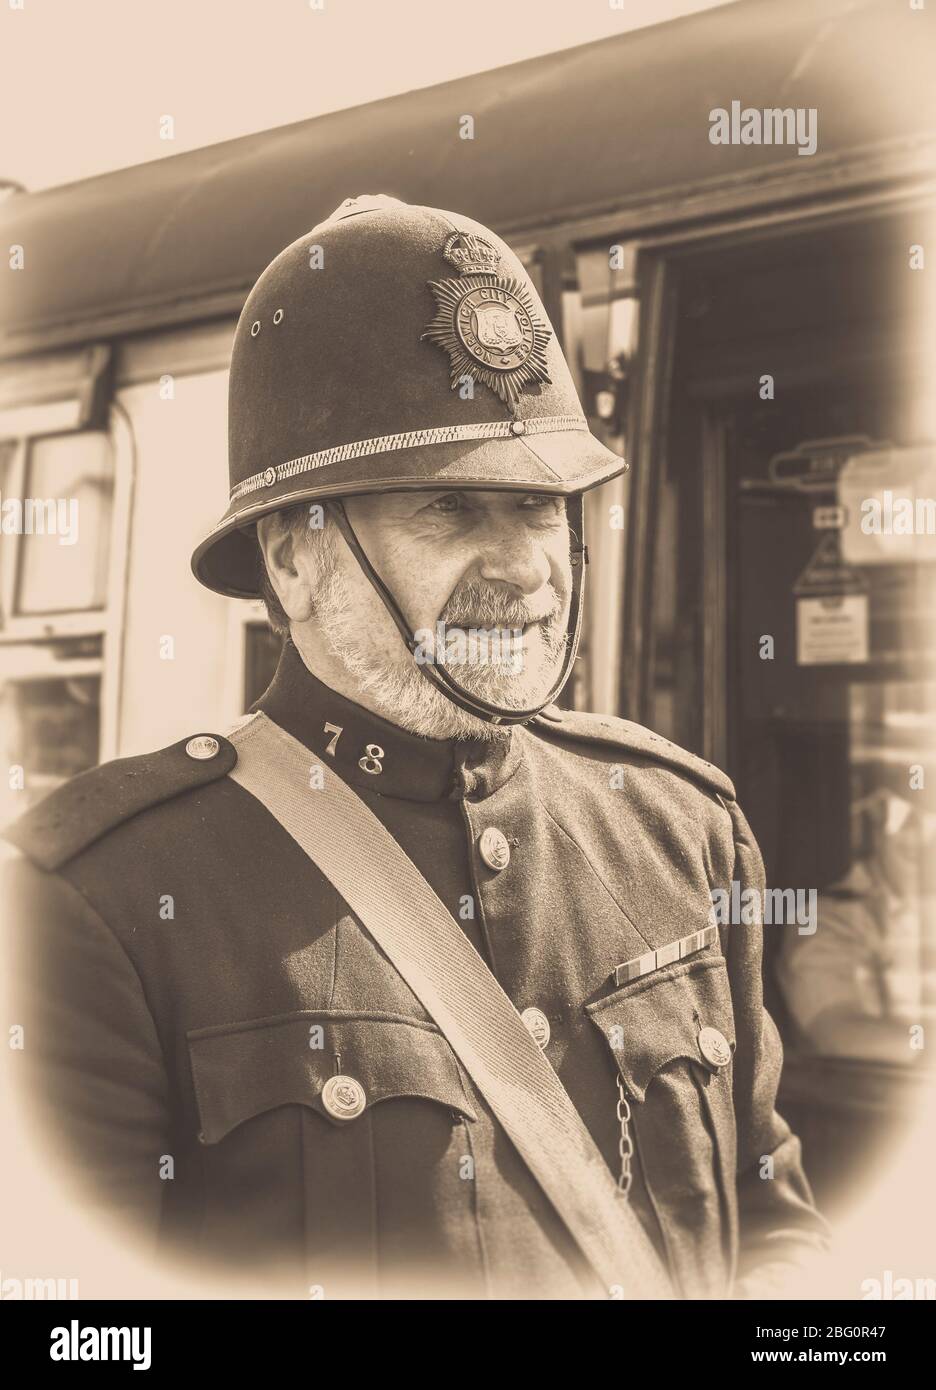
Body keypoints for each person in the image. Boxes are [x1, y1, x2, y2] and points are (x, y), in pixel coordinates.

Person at [1, 195, 831, 1300]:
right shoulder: (96, 907)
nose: (525, 567)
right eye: (453, 509)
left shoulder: (680, 827)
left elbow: (770, 1219)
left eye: (542, 509)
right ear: (293, 560)